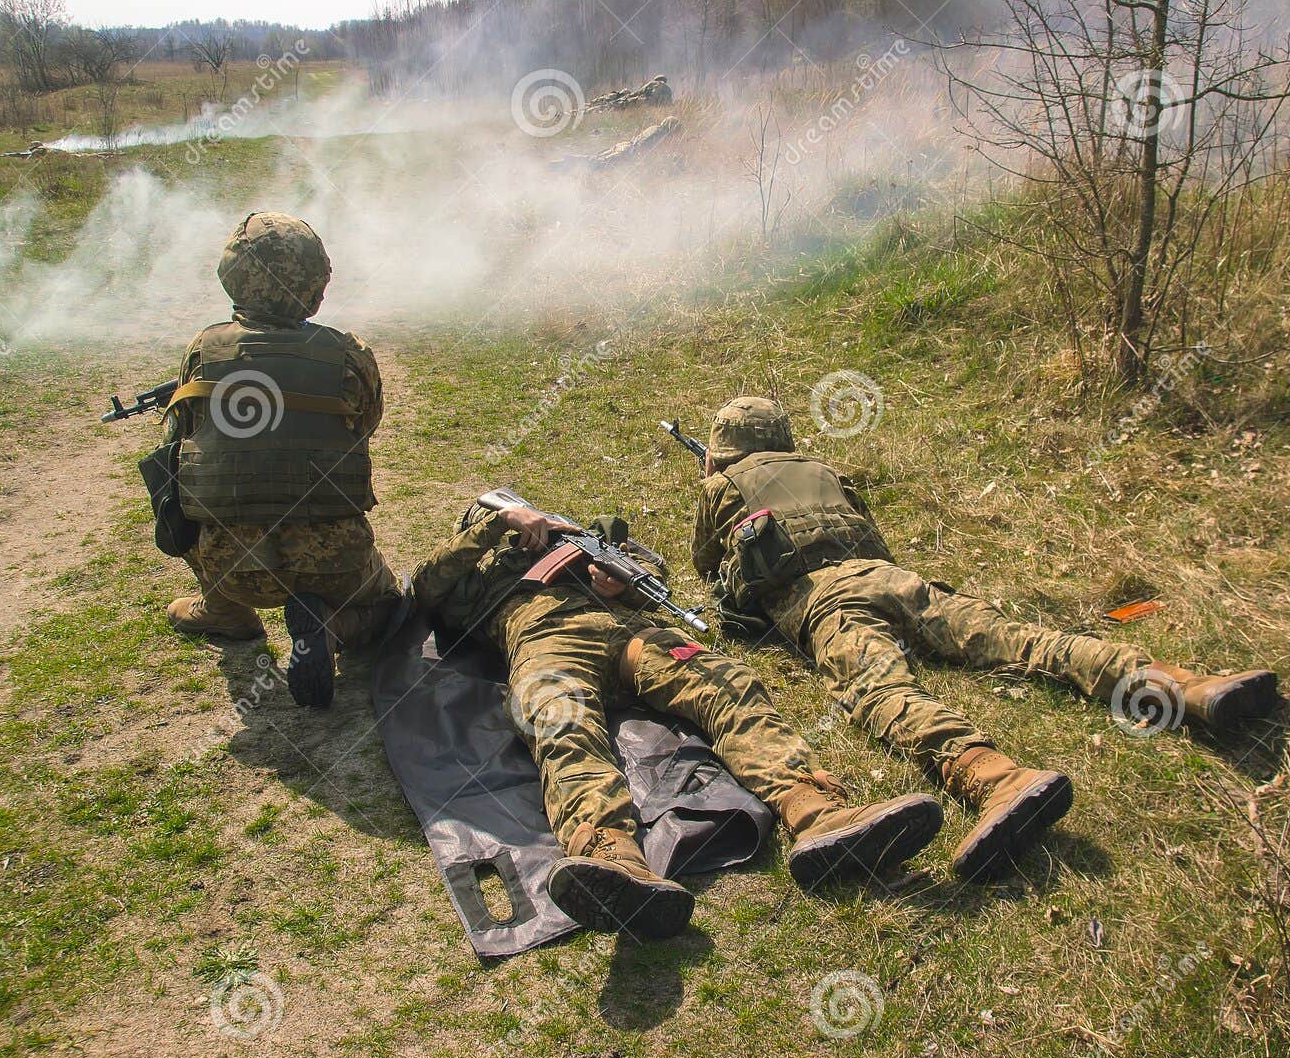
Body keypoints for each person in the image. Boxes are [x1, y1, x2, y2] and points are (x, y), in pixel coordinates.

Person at [688, 396, 1279, 882]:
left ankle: (995, 777)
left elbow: (708, 570)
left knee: (880, 691)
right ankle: (1185, 686)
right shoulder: (820, 468)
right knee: (1020, 640)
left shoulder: (722, 487)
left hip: (827, 602)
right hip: (899, 580)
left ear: (722, 451)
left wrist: (714, 486)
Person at [409, 496, 946, 939]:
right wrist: (499, 523)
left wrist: (618, 576)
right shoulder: (472, 565)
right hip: (546, 640)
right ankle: (608, 855)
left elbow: (653, 571)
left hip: (628, 632)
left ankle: (814, 808)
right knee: (559, 721)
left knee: (728, 685)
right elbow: (424, 586)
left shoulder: (574, 537)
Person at [161, 211, 402, 708]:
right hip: (333, 560)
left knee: (181, 485)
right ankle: (329, 625)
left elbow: (181, 447)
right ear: (315, 286)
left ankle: (225, 610)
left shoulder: (203, 350)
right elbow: (364, 427)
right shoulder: (349, 353)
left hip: (233, 565)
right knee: (388, 611)